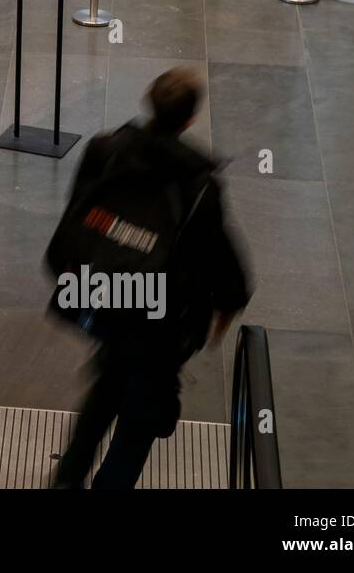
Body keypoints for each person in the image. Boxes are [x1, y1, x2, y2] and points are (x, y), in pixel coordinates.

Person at [49, 67, 250, 489]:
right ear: (190, 120)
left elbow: (78, 215)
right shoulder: (198, 186)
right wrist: (226, 307)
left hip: (102, 296)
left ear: (147, 100)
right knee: (139, 418)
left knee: (109, 381)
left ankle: (66, 481)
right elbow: (218, 259)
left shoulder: (105, 150)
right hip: (157, 317)